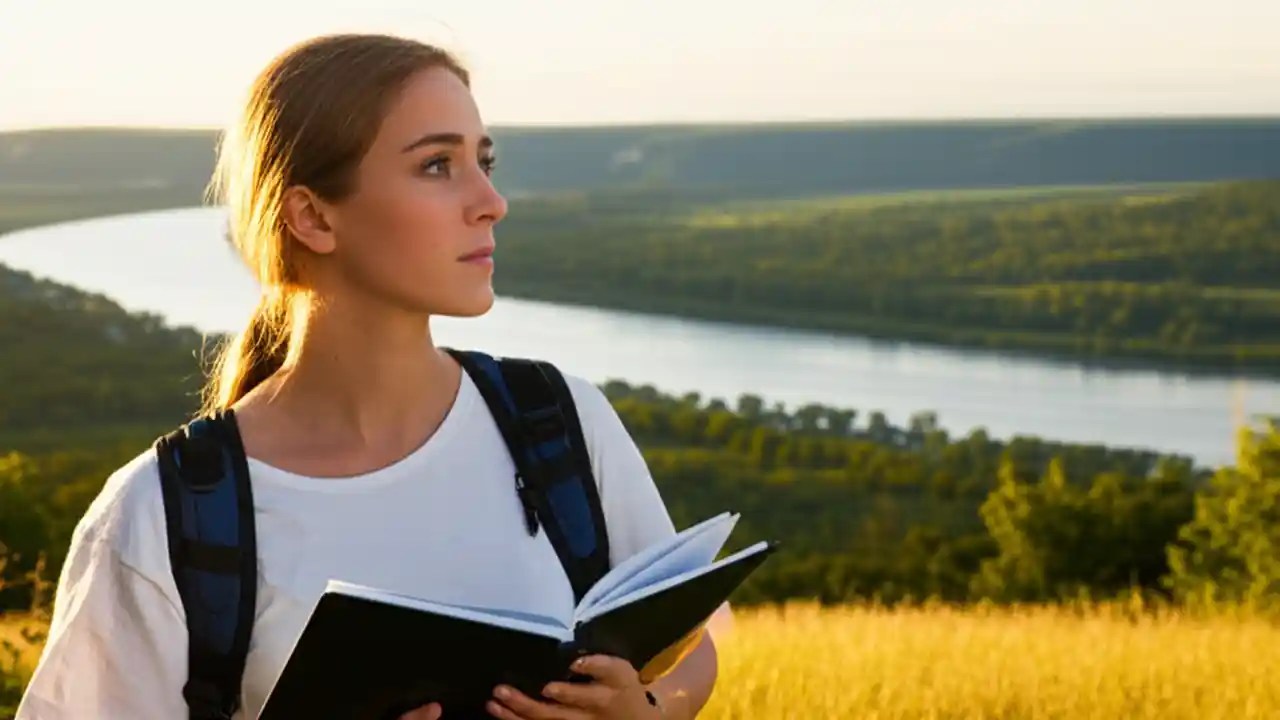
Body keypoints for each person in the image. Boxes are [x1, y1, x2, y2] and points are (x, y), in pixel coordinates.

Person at [16, 32, 719, 720]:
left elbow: (691, 644)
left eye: (484, 161)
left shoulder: (558, 422)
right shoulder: (164, 514)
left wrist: (647, 711)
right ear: (312, 216)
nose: (491, 201)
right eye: (437, 166)